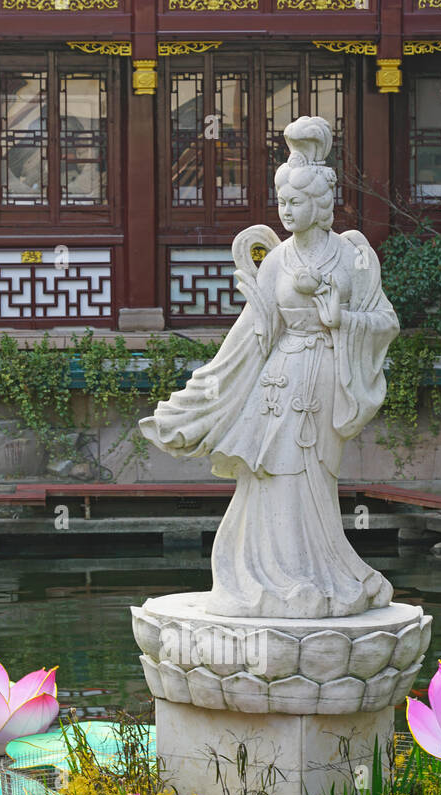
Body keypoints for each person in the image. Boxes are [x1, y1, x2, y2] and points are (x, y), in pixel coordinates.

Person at [139, 115, 399, 620]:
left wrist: (341, 318)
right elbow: (249, 333)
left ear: (320, 204)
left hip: (325, 375)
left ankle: (318, 575)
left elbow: (385, 321)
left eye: (295, 202)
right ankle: (261, 578)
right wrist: (200, 393)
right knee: (263, 473)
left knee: (309, 474)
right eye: (281, 202)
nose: (285, 210)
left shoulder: (352, 256)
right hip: (277, 378)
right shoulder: (276, 259)